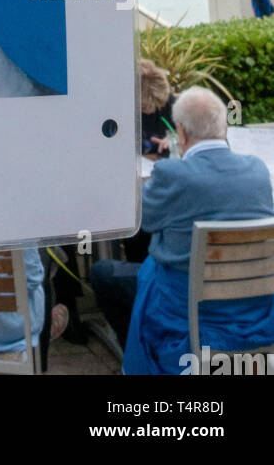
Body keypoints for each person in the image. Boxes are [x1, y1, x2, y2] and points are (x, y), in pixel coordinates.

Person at [90, 86, 274, 375]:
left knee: (103, 273)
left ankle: (143, 359)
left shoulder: (172, 174)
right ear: (224, 127)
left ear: (181, 132)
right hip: (253, 310)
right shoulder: (258, 171)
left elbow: (140, 223)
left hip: (187, 313)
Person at [140, 59, 175, 157]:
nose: (152, 111)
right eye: (144, 108)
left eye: (157, 106)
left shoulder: (169, 103)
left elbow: (186, 133)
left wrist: (172, 140)